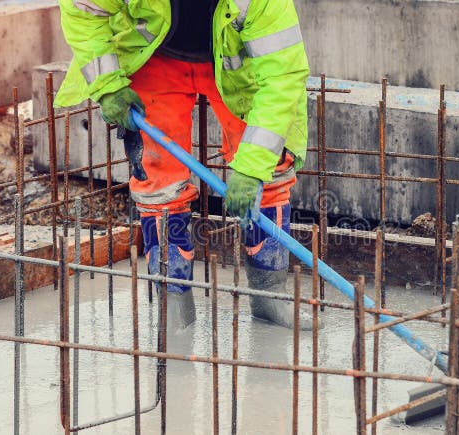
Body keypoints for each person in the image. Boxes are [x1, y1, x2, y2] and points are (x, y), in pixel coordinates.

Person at [55, 0, 313, 331]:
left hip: (235, 63)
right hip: (154, 56)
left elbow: (282, 76)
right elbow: (84, 10)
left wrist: (252, 168)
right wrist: (107, 84)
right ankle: (174, 303)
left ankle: (269, 298)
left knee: (270, 170)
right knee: (159, 183)